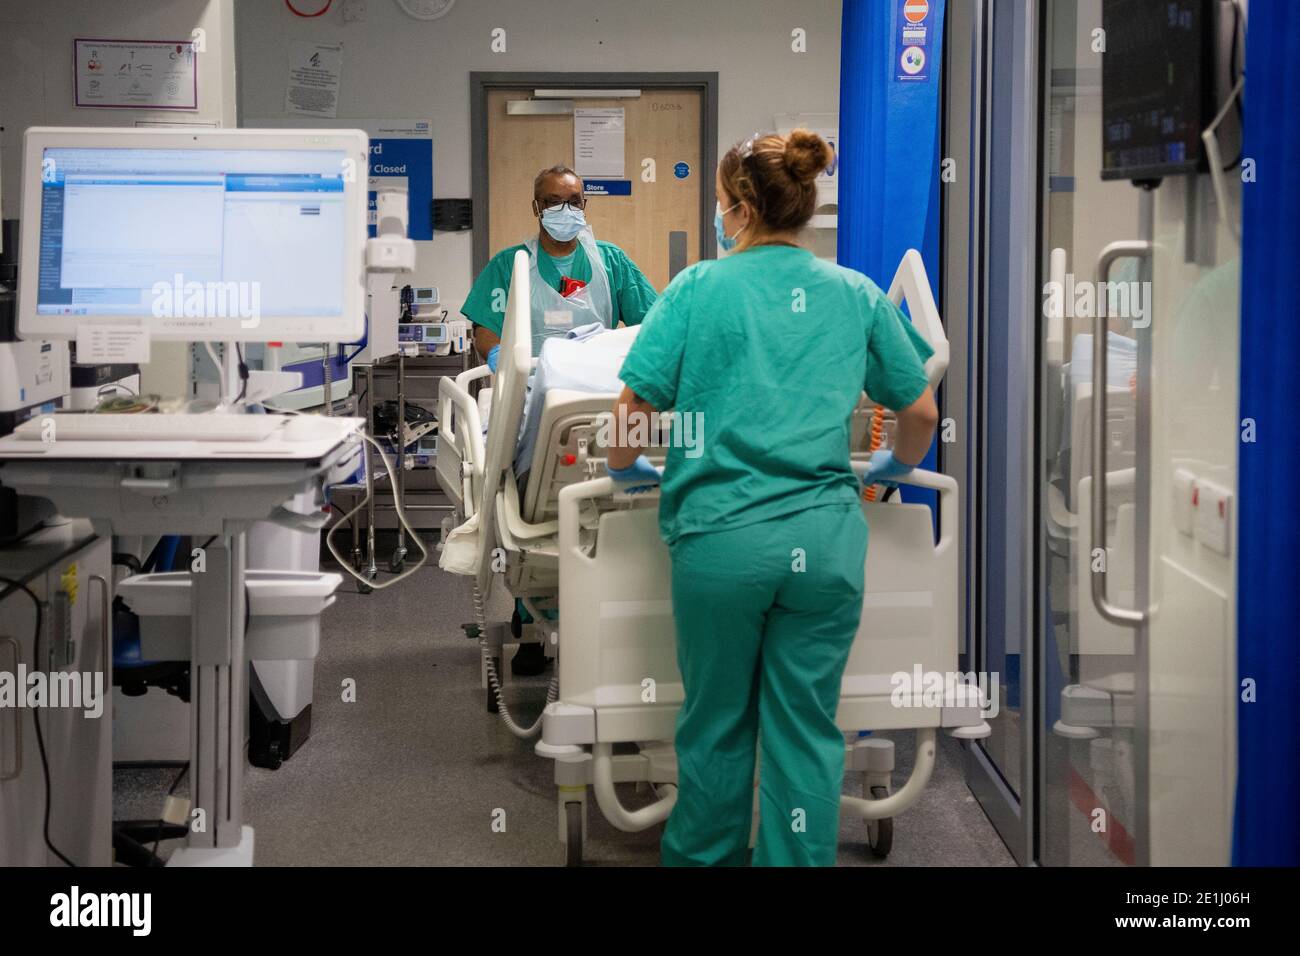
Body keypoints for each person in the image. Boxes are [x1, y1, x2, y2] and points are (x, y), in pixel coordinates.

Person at [606, 130, 940, 866]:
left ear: (745, 208)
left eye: (725, 205)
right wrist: (889, 465)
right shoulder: (852, 293)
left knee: (717, 725)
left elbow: (629, 415)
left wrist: (628, 467)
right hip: (823, 546)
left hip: (721, 543)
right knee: (805, 729)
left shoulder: (698, 288)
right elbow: (921, 415)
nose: (722, 218)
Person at [461, 164, 658, 674]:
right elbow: (484, 326)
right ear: (536, 207)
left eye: (573, 202)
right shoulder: (512, 265)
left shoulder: (610, 262)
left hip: (596, 386)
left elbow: (647, 323)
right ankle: (529, 622)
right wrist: (503, 358)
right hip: (534, 387)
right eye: (552, 202)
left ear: (585, 207)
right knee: (530, 495)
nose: (564, 212)